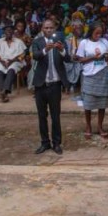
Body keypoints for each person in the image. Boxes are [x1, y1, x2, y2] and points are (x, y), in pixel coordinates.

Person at [31, 19, 69, 155]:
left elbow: (68, 58)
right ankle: (45, 143)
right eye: (46, 28)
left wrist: (62, 50)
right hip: (41, 85)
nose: (48, 30)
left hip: (55, 85)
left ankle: (57, 143)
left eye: (51, 28)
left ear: (54, 28)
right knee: (42, 116)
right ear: (42, 28)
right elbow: (35, 56)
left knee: (55, 116)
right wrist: (44, 50)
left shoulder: (60, 40)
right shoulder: (37, 42)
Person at [75, 22, 108, 139]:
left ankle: (100, 126)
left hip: (102, 73)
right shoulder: (84, 43)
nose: (99, 35)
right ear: (91, 32)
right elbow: (80, 60)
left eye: (101, 33)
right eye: (96, 33)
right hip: (89, 75)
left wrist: (107, 56)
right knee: (88, 104)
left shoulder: (104, 42)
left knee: (102, 104)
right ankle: (88, 126)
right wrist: (93, 57)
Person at [0, 23, 27, 102]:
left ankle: (4, 92)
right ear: (4, 32)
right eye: (7, 31)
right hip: (2, 61)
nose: (9, 33)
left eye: (10, 31)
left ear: (13, 32)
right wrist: (2, 61)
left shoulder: (19, 42)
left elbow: (22, 55)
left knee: (12, 69)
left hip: (15, 61)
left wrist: (12, 61)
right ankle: (4, 93)